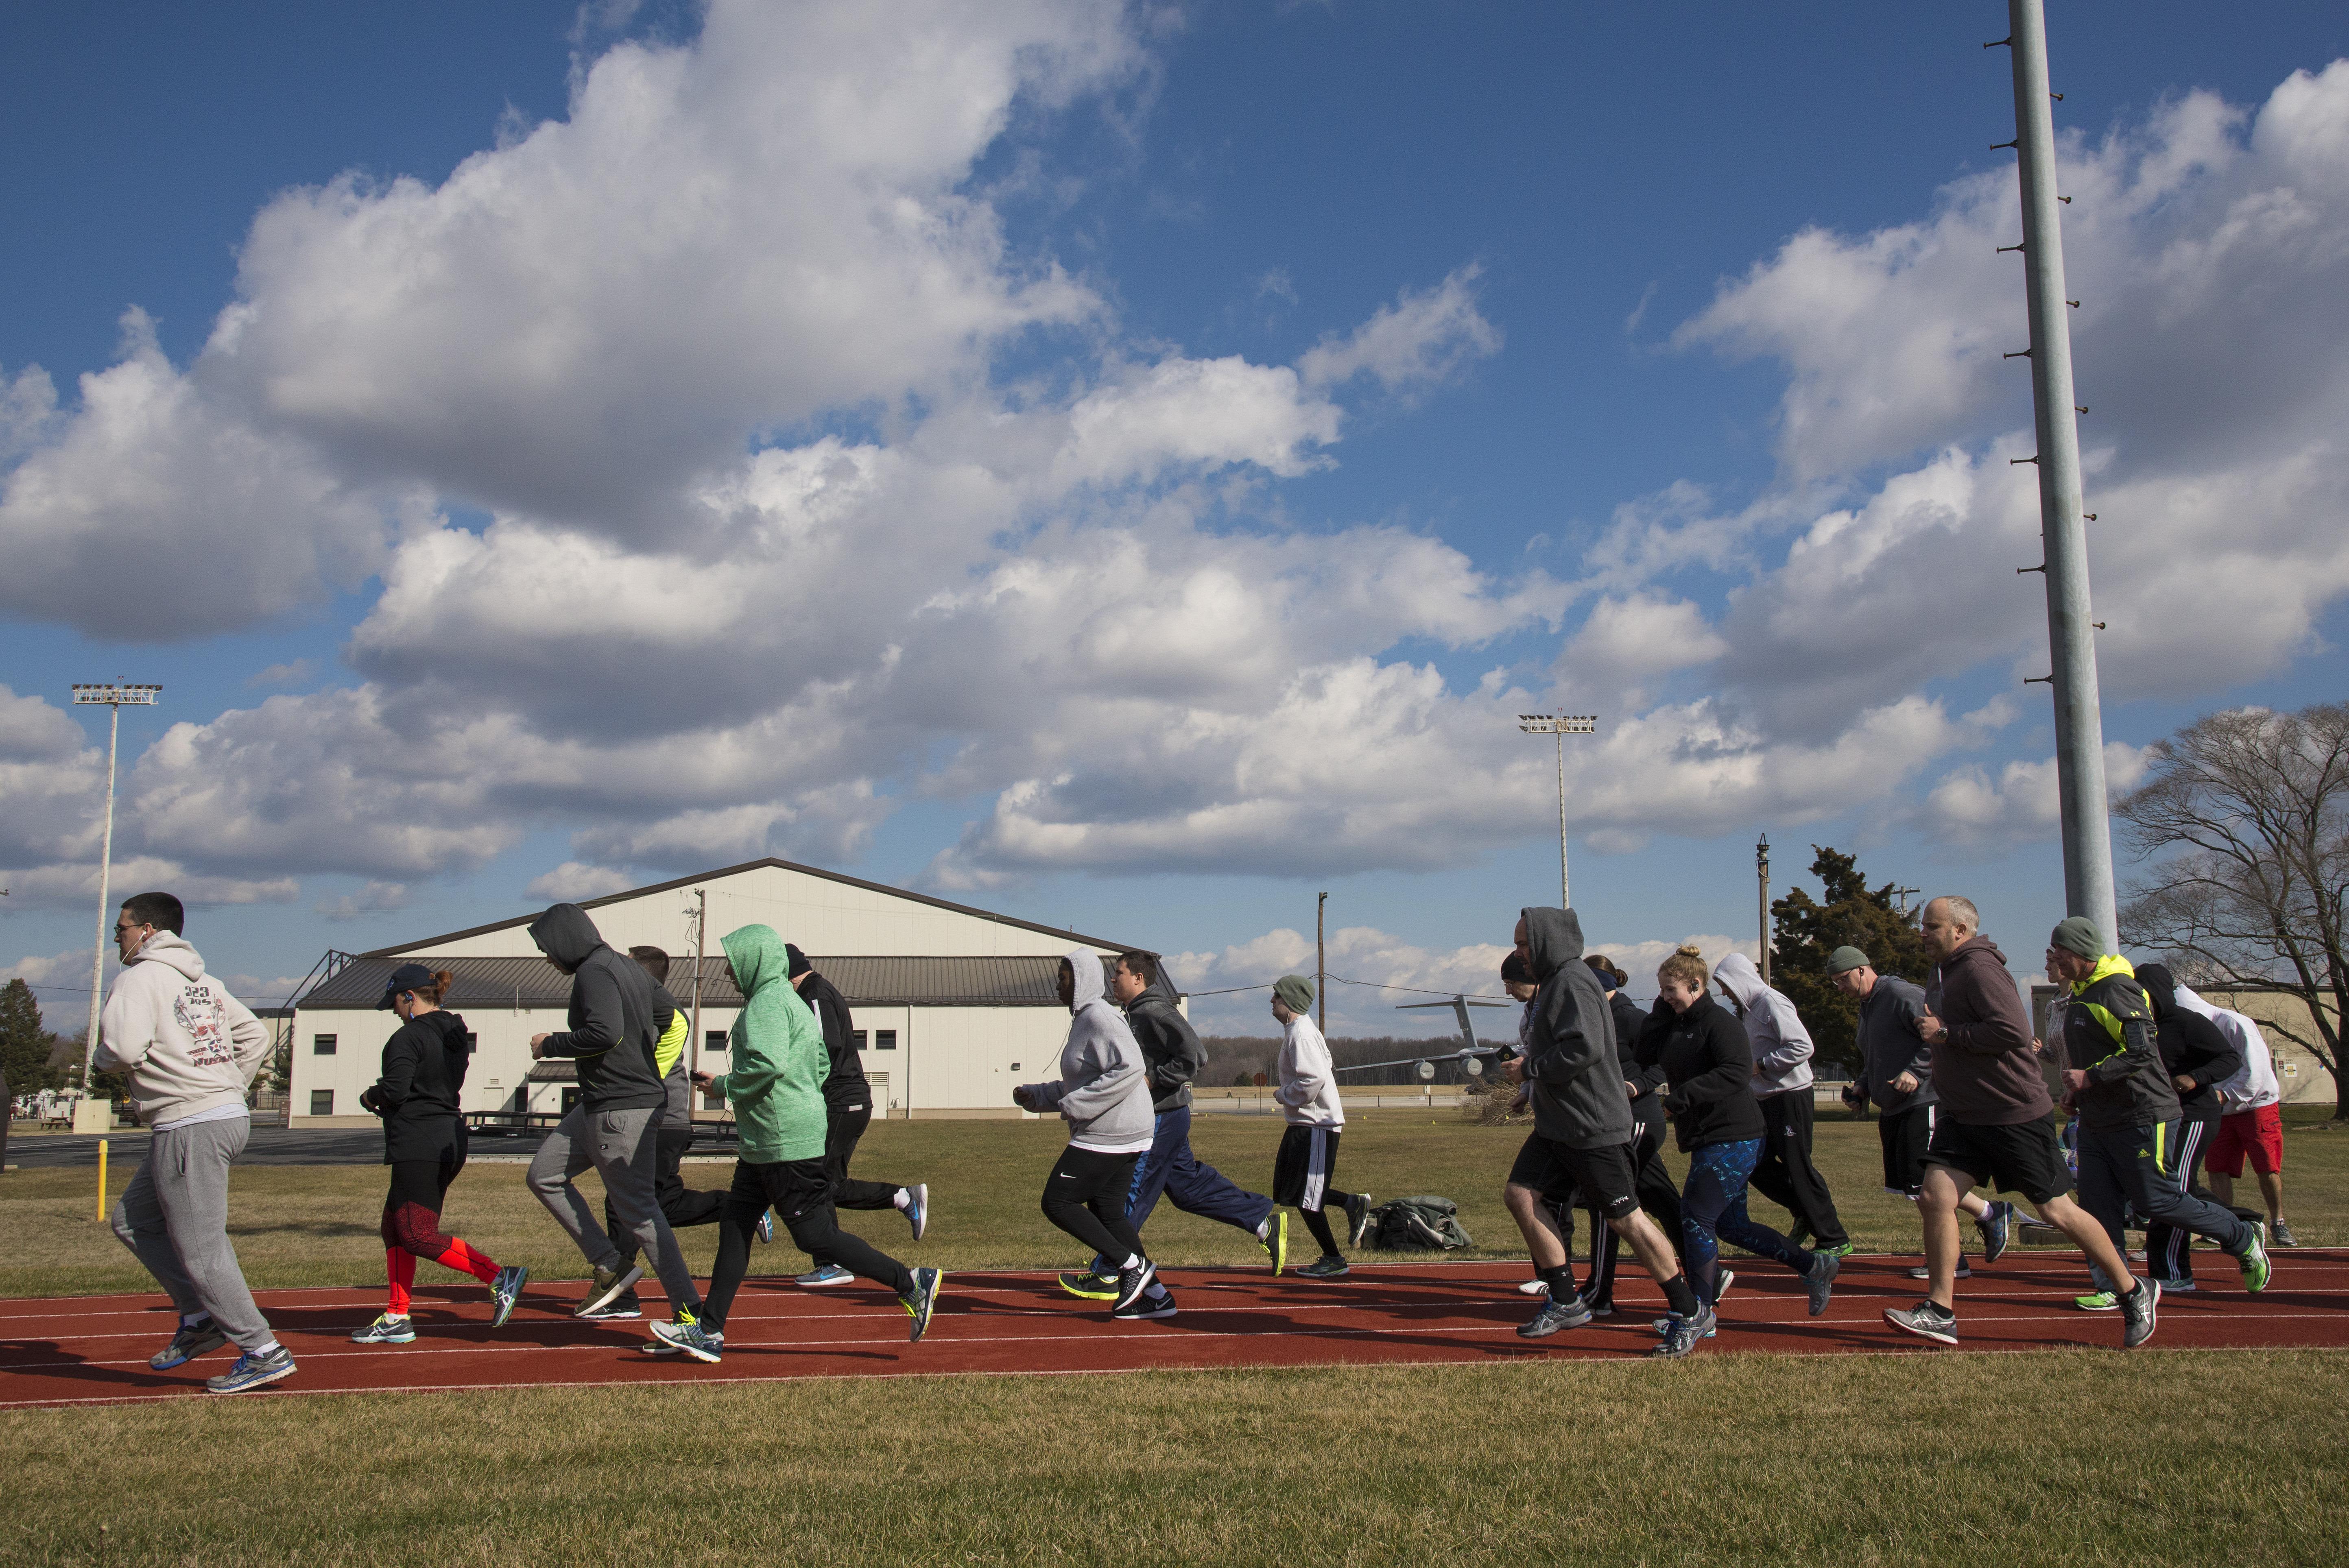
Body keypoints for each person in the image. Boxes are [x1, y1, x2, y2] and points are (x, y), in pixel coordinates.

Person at [652, 925, 941, 1362]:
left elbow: (767, 1067)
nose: (728, 971)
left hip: (782, 1141)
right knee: (734, 1228)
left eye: (733, 961)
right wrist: (801, 1093)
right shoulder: (789, 1000)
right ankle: (708, 1331)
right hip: (767, 1140)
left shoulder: (767, 1004)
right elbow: (820, 1061)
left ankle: (910, 1282)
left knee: (816, 1238)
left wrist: (722, 1087)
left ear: (755, 961)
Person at [1885, 898, 2156, 1348]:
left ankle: (2131, 1290)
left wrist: (1946, 1034)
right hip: (1965, 1113)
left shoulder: (1980, 970)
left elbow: (2011, 1031)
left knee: (2056, 1211)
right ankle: (1939, 1311)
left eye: (1931, 927)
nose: (1923, 934)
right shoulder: (1942, 971)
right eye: (1923, 926)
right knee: (1934, 1195)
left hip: (2010, 1112)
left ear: (1959, 929)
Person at [96, 891, 293, 1394]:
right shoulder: (203, 980)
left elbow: (121, 1048)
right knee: (133, 1220)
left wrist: (102, 1062)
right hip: (213, 1115)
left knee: (202, 1246)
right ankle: (200, 1317)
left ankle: (262, 1350)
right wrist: (229, 1085)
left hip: (191, 1121)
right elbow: (253, 1035)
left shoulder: (138, 977)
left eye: (120, 928)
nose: (115, 937)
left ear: (146, 931)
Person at [2041, 921, 2268, 1315]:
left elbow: (2141, 1051)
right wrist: (2078, 1091)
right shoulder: (2079, 996)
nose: (2053, 956)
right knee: (2097, 1209)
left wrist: (2091, 1077)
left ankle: (2240, 1236)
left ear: (2077, 951)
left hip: (2142, 1114)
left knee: (2156, 1201)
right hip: (2098, 1120)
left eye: (2057, 949)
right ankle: (2114, 1286)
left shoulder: (2116, 988)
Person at [1636, 943, 1838, 1357]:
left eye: (1671, 990)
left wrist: (1681, 1098)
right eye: (1661, 991)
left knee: (1694, 1217)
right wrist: (1660, 1011)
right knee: (1730, 1227)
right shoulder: (1675, 1023)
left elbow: (1733, 1072)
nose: (1666, 997)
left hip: (1734, 1134)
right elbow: (1643, 1055)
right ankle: (1812, 1265)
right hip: (1707, 1135)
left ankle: (1699, 1313)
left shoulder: (1720, 1023)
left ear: (1697, 985)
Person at [1058, 951, 1287, 1300]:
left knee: (1131, 1192)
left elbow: (1196, 1054)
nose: (1112, 980)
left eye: (1118, 973)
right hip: (1165, 1116)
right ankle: (1260, 1219)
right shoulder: (1133, 1013)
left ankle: (1110, 1270)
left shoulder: (1155, 1010)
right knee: (1187, 1189)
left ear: (1138, 978)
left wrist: (1153, 1081)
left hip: (1162, 1117)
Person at [522, 903, 704, 1331]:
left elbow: (605, 1033)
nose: (547, 958)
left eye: (548, 949)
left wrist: (550, 1044)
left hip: (621, 1109)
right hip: (598, 1103)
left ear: (566, 941)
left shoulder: (593, 971)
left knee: (639, 1212)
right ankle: (610, 1264)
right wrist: (649, 1061)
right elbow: (675, 1018)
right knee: (543, 1175)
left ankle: (690, 1313)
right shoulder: (627, 967)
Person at [353, 964, 529, 1344]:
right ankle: (398, 1315)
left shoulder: (408, 1038)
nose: (395, 1012)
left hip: (419, 1141)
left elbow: (396, 1089)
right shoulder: (453, 1034)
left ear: (410, 997)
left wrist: (371, 1097)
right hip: (447, 1136)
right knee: (395, 1227)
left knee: (416, 1233)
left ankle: (500, 1276)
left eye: (396, 1004)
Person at [1827, 946, 2014, 1280]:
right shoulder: (1867, 1006)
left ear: (1860, 970)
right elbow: (1877, 1056)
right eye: (1835, 984)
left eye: (1842, 980)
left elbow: (1936, 1034)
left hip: (1924, 1101)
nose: (1840, 989)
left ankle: (1965, 1244)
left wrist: (1915, 1071)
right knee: (1914, 1187)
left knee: (1927, 1186)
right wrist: (1862, 1087)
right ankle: (1982, 1221)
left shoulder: (1901, 994)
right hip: (1894, 1106)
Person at [587, 945, 742, 1322]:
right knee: (657, 1202)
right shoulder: (647, 1005)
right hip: (662, 1119)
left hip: (658, 1120)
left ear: (638, 974)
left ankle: (620, 1292)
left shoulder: (652, 1008)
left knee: (629, 1205)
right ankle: (738, 1206)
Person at [1016, 951, 1170, 1318]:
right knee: (1108, 1211)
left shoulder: (1099, 1016)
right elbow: (1083, 1082)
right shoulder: (1085, 1020)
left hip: (1112, 1132)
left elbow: (1131, 1066)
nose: (1058, 984)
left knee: (1057, 1202)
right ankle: (1158, 1296)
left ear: (1082, 980)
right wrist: (1037, 1096)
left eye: (1063, 977)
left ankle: (1130, 1266)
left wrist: (1079, 1106)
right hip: (1124, 1130)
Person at [786, 944, 927, 1288]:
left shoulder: (814, 993)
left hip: (840, 1100)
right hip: (845, 1100)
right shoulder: (818, 990)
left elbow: (823, 1046)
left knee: (815, 1179)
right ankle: (902, 1198)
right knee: (828, 1183)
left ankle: (831, 1261)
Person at [1712, 953, 1850, 1257]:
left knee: (1798, 1166)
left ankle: (1833, 1237)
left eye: (1725, 984)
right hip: (1765, 1099)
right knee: (1754, 1163)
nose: (1724, 992)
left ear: (1740, 979)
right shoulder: (1750, 1010)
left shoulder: (1772, 1002)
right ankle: (1804, 1211)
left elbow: (1803, 1046)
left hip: (1791, 1096)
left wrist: (1761, 1066)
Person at [2126, 962, 2242, 1293]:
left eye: (2143, 991)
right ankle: (2242, 1223)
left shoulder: (2189, 1023)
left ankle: (2175, 1272)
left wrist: (2196, 1077)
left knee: (2173, 1191)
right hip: (2159, 1117)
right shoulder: (2139, 1025)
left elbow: (2229, 1058)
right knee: (2162, 1188)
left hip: (2195, 1116)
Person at [1577, 955, 1682, 1316]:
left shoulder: (1630, 1018)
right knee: (1662, 1198)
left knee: (1609, 1202)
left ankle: (1601, 1291)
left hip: (1637, 1120)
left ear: (1601, 987)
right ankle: (1708, 1273)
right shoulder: (1593, 1017)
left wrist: (1636, 1086)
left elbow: (1664, 1063)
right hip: (1612, 1120)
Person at [1269, 975, 1369, 1279]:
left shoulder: (1301, 1033)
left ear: (1289, 1001)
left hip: (1317, 1125)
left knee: (1307, 1199)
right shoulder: (1298, 1031)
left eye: (1276, 996)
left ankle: (1334, 1258)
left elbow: (1313, 1079)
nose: (1271, 1001)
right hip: (1305, 1123)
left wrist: (1283, 1095)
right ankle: (1352, 1203)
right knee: (1289, 1190)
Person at [1498, 950, 1576, 1298]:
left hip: (1577, 1121)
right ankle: (1557, 1281)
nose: (1508, 992)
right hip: (1549, 1121)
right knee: (1526, 1196)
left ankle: (1692, 1292)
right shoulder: (1529, 1014)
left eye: (1511, 983)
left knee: (1625, 1214)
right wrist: (1525, 1091)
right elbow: (1533, 1056)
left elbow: (1569, 1056)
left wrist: (1527, 1070)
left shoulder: (1560, 1003)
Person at [2192, 986, 2294, 1245]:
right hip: (2219, 1110)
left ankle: (2278, 1222)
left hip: (2257, 1105)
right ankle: (2226, 1225)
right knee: (2217, 1167)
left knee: (2267, 1166)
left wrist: (2226, 1095)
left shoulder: (2234, 1023)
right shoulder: (2189, 1028)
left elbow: (2256, 1070)